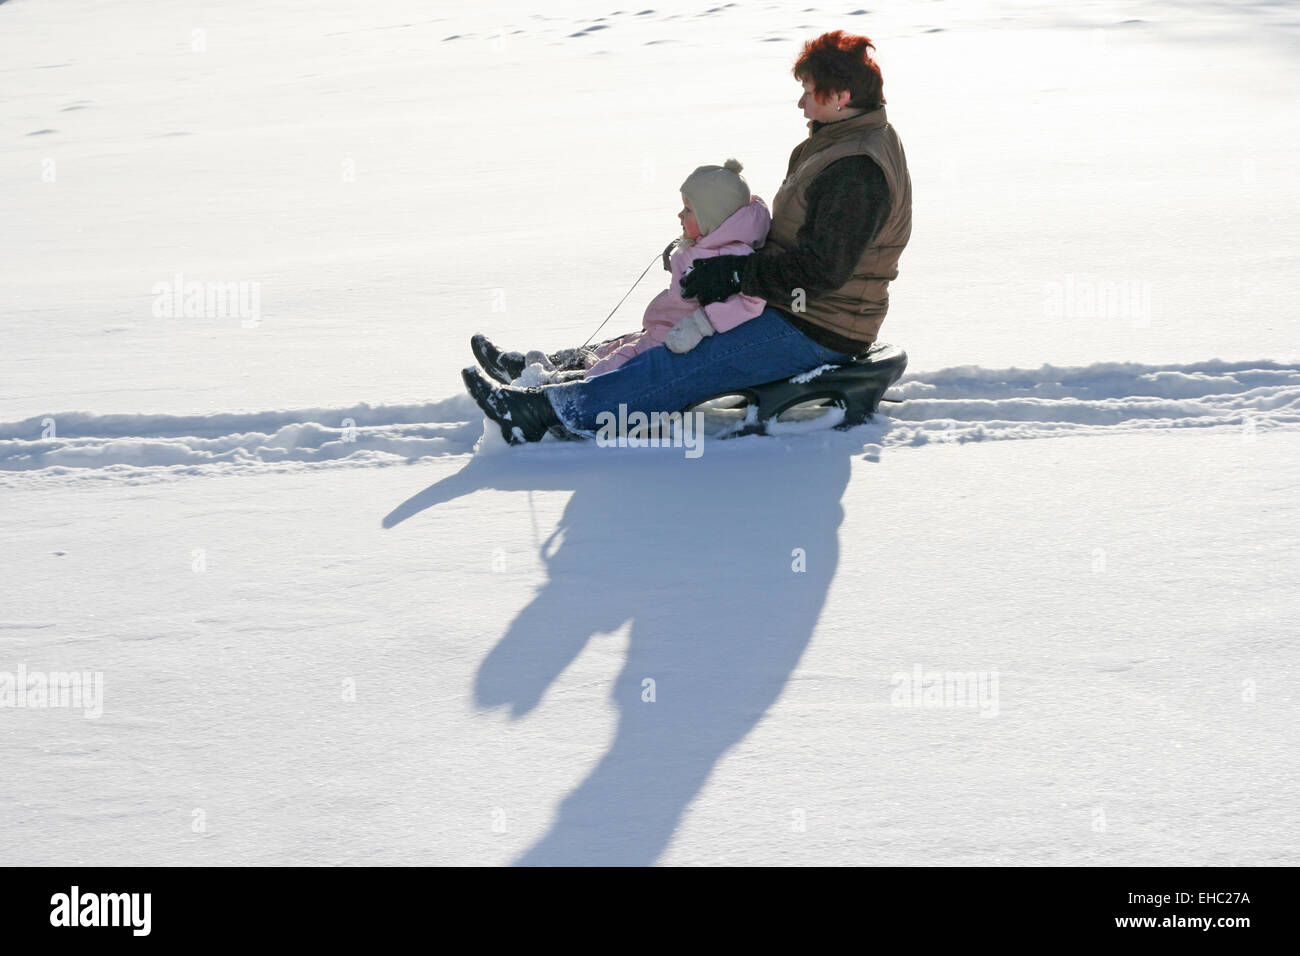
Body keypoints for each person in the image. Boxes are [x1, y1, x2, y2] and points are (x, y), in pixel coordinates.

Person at [462, 30, 911, 444]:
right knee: (664, 329)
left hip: (820, 325)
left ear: (842, 97)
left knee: (682, 360)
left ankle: (543, 412)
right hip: (794, 305)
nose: (801, 103)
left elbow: (824, 269)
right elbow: (796, 240)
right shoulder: (836, 141)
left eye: (809, 91)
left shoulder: (857, 169)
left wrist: (737, 273)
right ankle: (546, 370)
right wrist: (713, 251)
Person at [491, 160, 770, 385]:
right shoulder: (709, 243)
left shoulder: (734, 257)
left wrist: (701, 324)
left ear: (713, 218)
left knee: (619, 364)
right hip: (661, 327)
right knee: (613, 349)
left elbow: (751, 301)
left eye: (688, 210)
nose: (679, 216)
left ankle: (555, 386)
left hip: (678, 338)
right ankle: (545, 366)